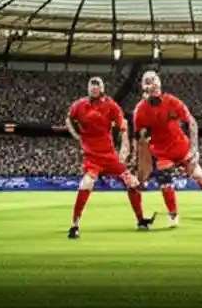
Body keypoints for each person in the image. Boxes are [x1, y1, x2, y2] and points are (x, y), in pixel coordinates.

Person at [132, 70, 202, 226]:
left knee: (200, 178)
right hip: (162, 153)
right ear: (144, 87)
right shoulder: (140, 111)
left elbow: (191, 123)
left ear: (160, 82)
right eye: (148, 82)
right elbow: (139, 137)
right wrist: (141, 164)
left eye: (155, 80)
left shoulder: (171, 101)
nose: (153, 84)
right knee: (164, 182)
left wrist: (194, 150)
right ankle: (173, 215)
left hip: (182, 149)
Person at [65, 76, 153, 239]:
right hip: (92, 158)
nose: (94, 89)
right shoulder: (79, 106)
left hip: (110, 157)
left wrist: (125, 149)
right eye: (92, 86)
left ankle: (140, 220)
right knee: (86, 184)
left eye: (97, 86)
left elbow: (123, 126)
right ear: (88, 89)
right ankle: (74, 225)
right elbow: (69, 119)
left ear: (102, 88)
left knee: (132, 183)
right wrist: (77, 136)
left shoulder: (110, 105)